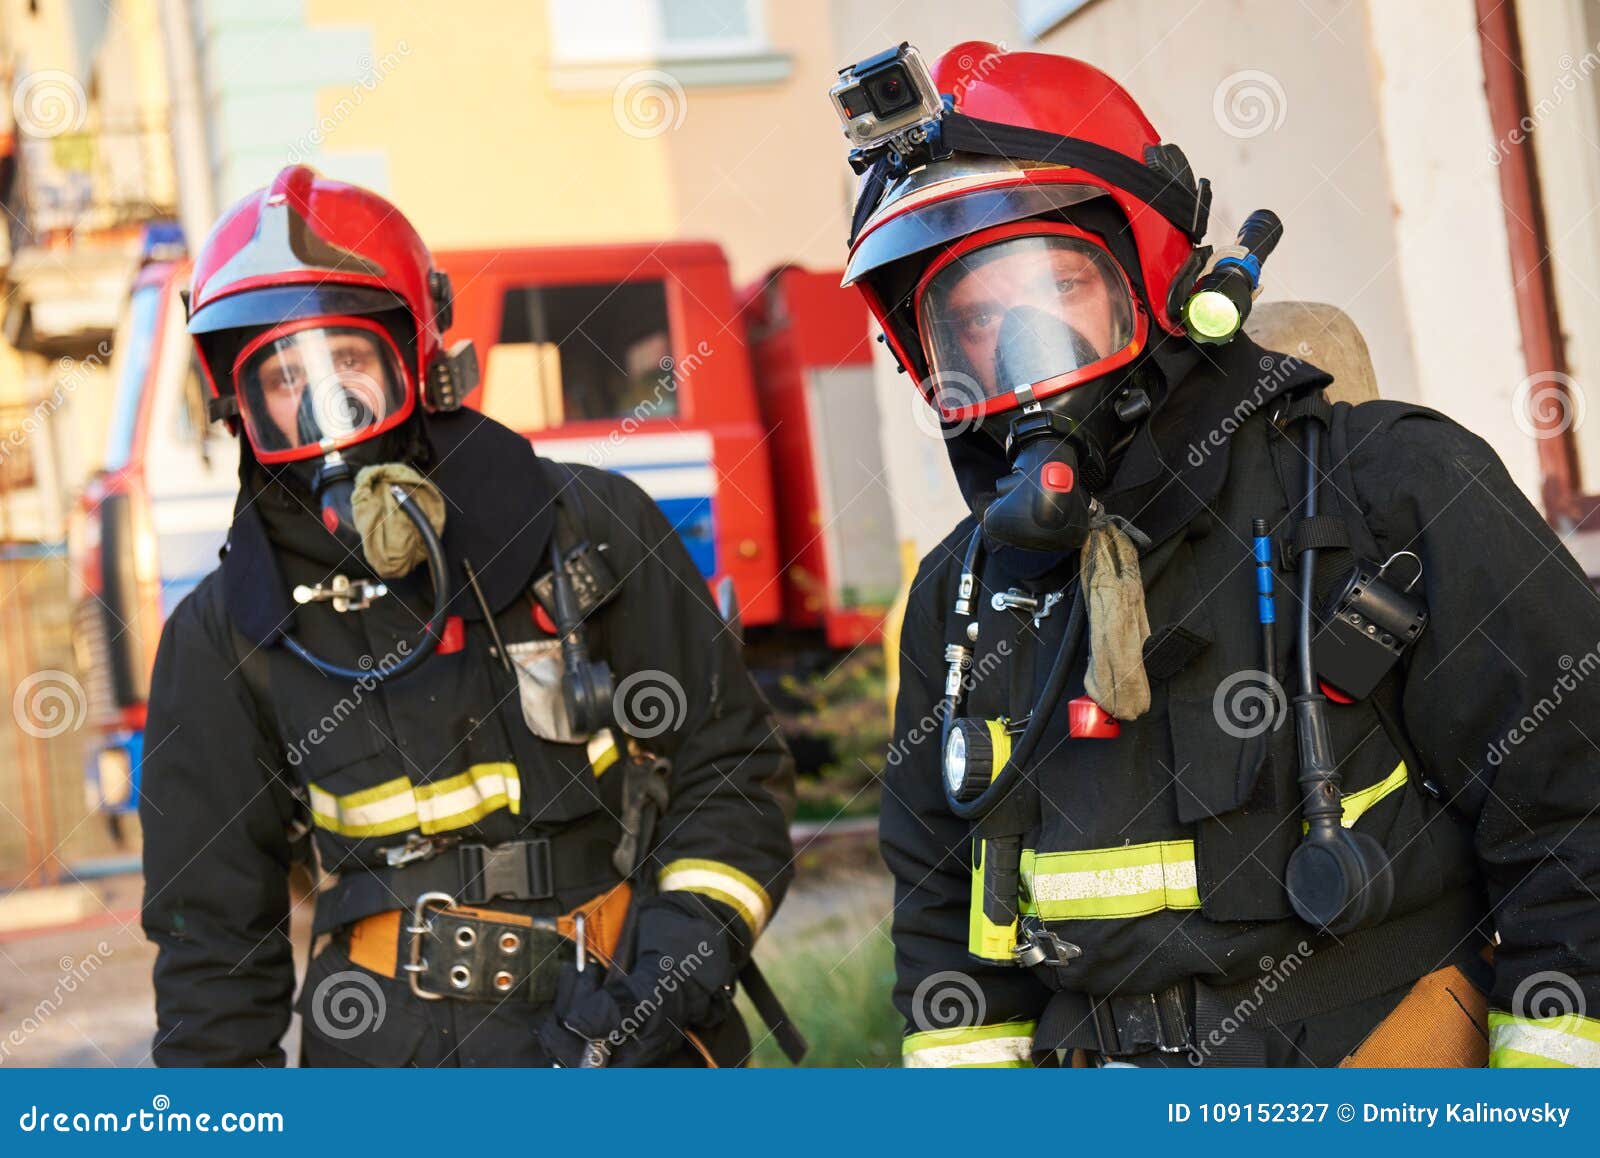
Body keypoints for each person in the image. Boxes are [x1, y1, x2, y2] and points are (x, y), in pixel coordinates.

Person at [844, 41, 1600, 1068]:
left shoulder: (1391, 493)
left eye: (1051, 288)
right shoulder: (962, 595)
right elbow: (944, 937)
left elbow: (1571, 816)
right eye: (967, 322)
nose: (1013, 349)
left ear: (1151, 268)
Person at [138, 164, 797, 1068]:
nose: (325, 405)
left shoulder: (585, 530)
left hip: (624, 1018)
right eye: (285, 377)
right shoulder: (223, 636)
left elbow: (731, 766)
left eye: (348, 361)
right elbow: (211, 945)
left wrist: (671, 979)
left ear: (414, 361)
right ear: (241, 406)